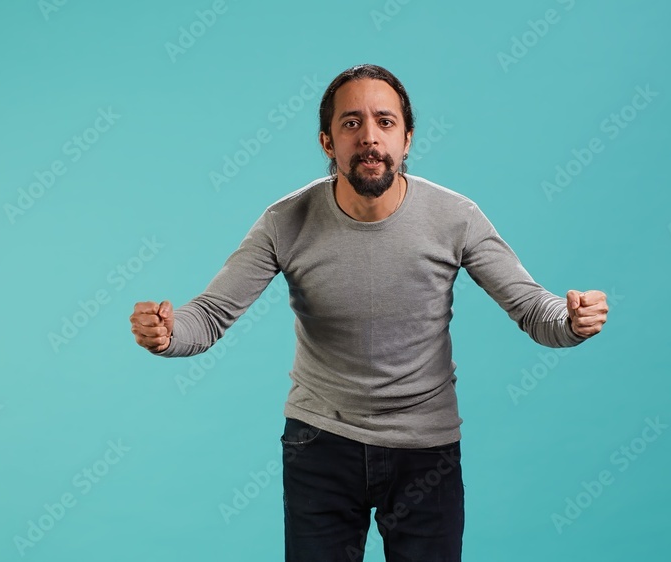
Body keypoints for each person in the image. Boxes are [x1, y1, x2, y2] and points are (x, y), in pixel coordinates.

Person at [129, 64, 608, 562]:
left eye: (384, 121)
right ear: (327, 142)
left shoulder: (455, 217)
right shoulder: (284, 221)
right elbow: (208, 316)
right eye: (351, 123)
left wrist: (570, 320)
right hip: (319, 444)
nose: (369, 137)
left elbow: (533, 308)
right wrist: (168, 333)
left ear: (407, 139)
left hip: (427, 450)